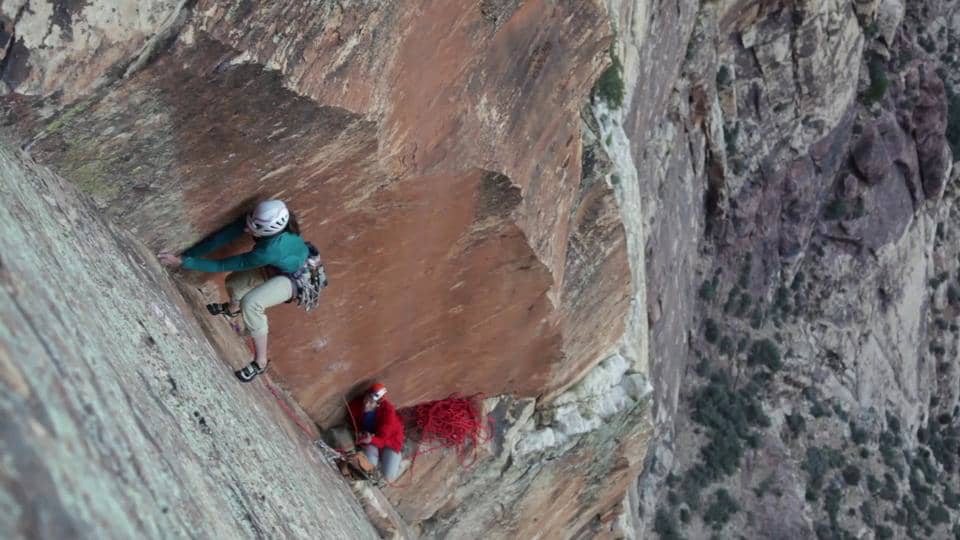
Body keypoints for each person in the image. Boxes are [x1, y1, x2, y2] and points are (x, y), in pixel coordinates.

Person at [158, 200, 309, 382]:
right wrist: (186, 256)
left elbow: (222, 264)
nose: (246, 230)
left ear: (267, 230)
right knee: (234, 283)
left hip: (295, 279)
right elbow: (218, 239)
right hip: (278, 265)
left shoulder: (268, 251)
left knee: (252, 303)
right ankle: (231, 309)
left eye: (253, 229)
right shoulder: (260, 220)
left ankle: (260, 363)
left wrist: (185, 263)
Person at [348, 383, 404, 482]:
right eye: (366, 399)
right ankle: (375, 462)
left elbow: (383, 440)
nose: (366, 404)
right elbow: (353, 422)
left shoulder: (388, 413)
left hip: (389, 442)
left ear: (378, 404)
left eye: (371, 402)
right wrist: (360, 434)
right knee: (369, 467)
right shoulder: (357, 405)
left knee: (388, 477)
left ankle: (394, 457)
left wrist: (370, 439)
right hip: (371, 439)